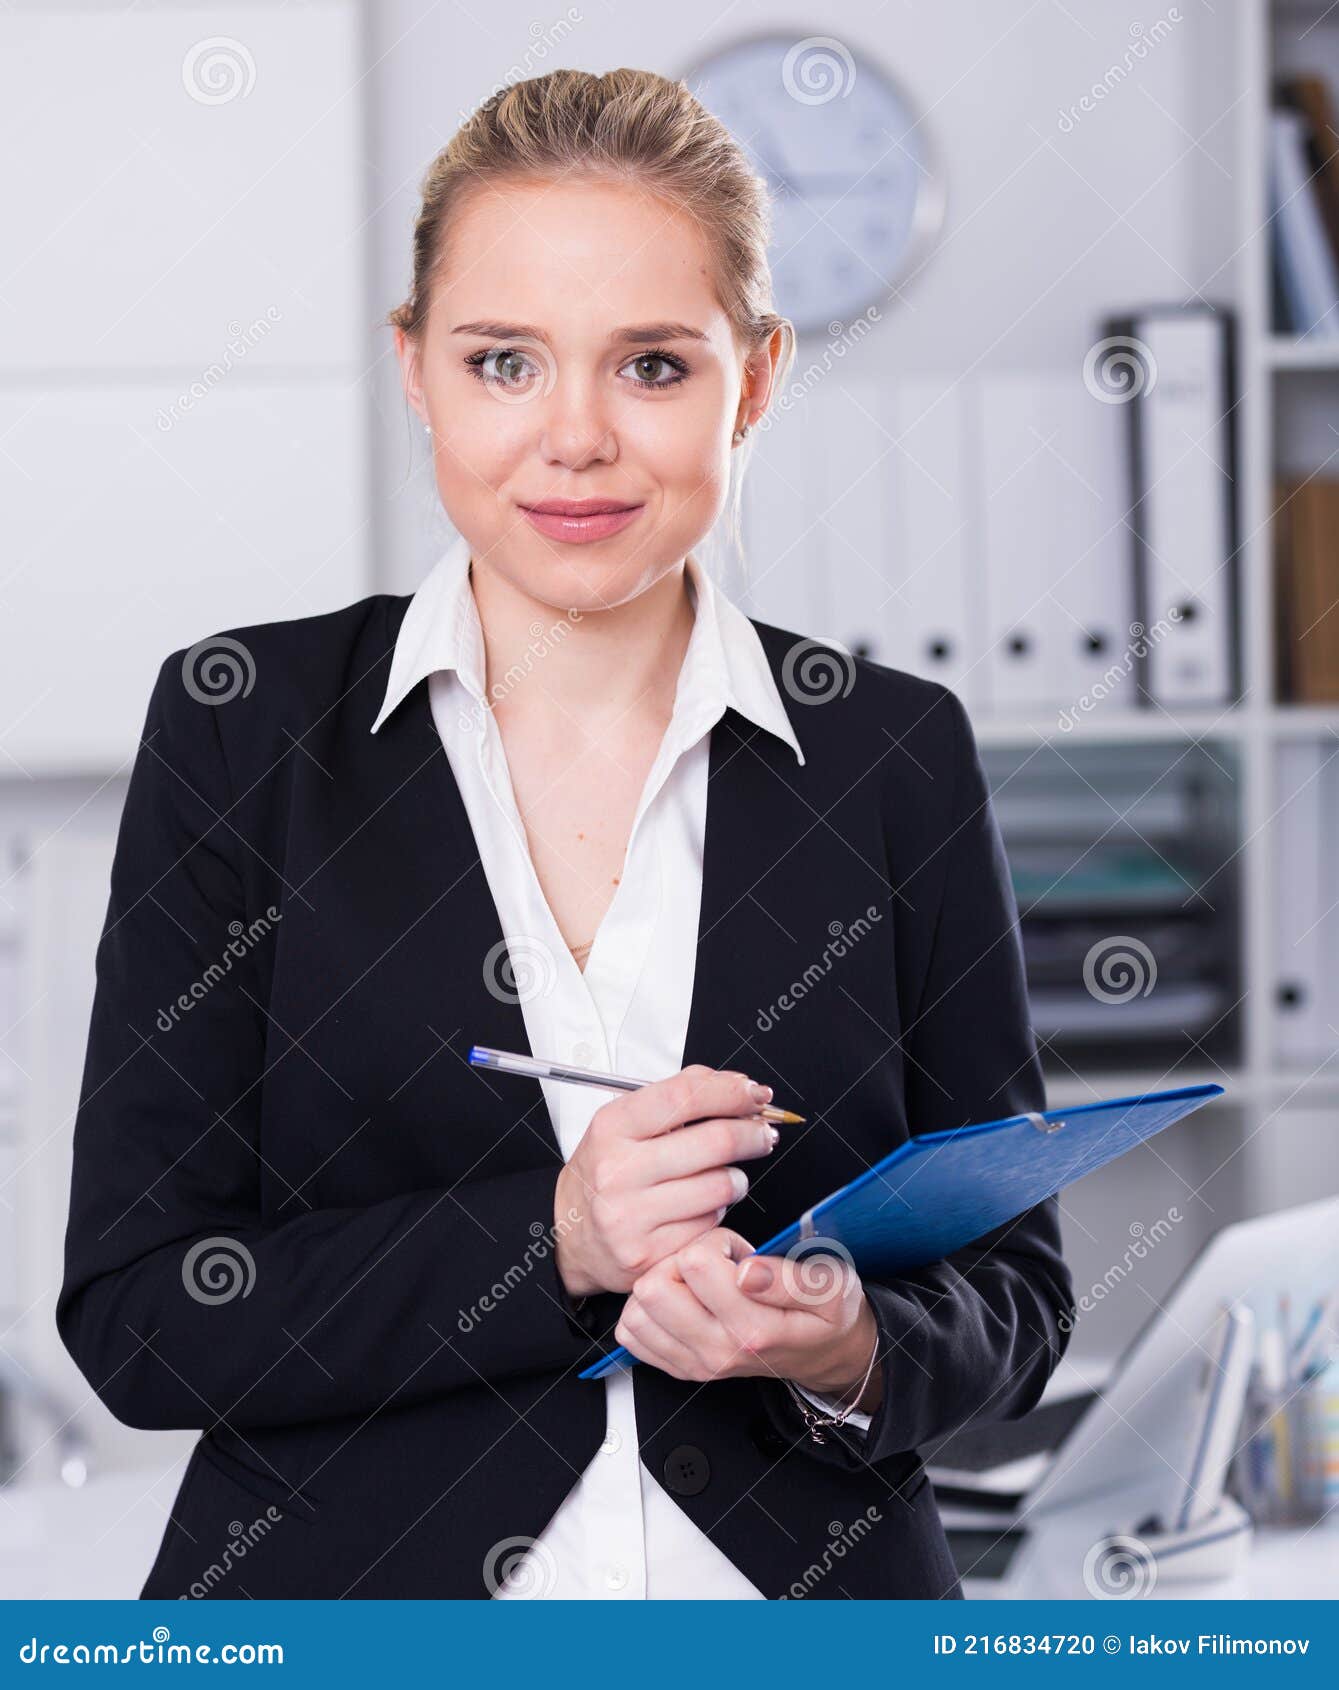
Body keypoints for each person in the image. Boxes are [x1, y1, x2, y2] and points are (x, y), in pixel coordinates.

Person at [57, 67, 1072, 1600]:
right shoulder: (243, 729)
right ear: (416, 371)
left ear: (757, 376)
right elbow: (142, 1310)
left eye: (654, 364)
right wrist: (556, 1238)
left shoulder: (891, 751)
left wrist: (853, 1343)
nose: (578, 438)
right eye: (505, 361)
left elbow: (1020, 1290)